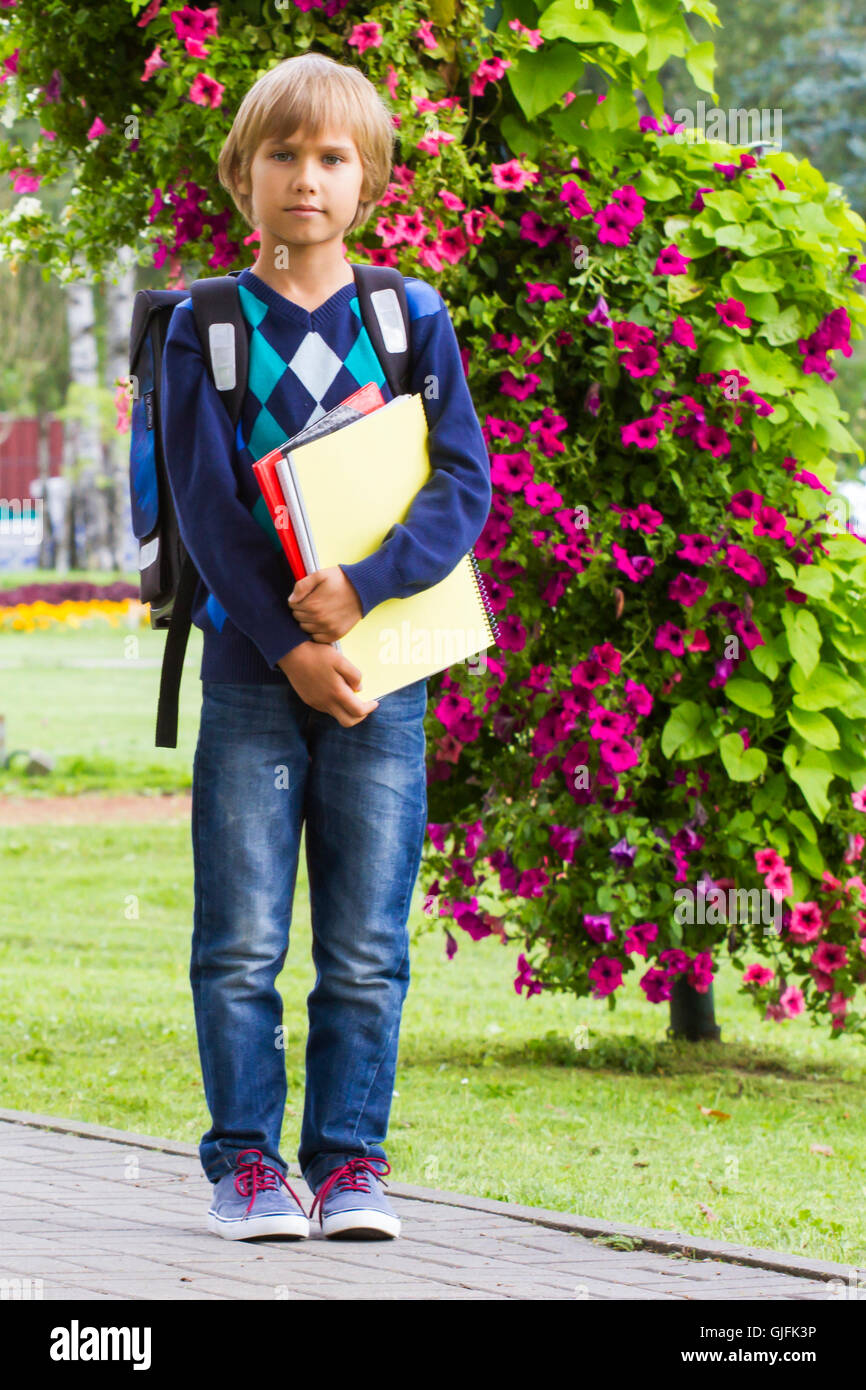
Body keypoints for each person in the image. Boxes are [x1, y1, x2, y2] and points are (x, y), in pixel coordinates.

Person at [160, 51, 492, 1241]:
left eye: (332, 157)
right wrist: (286, 640)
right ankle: (244, 1164)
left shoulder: (408, 320)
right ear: (240, 171)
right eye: (282, 154)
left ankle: (349, 1163)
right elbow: (204, 503)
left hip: (383, 679)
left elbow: (463, 483)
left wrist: (362, 587)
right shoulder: (202, 326)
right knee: (241, 939)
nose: (306, 177)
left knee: (363, 942)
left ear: (371, 179)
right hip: (254, 680)